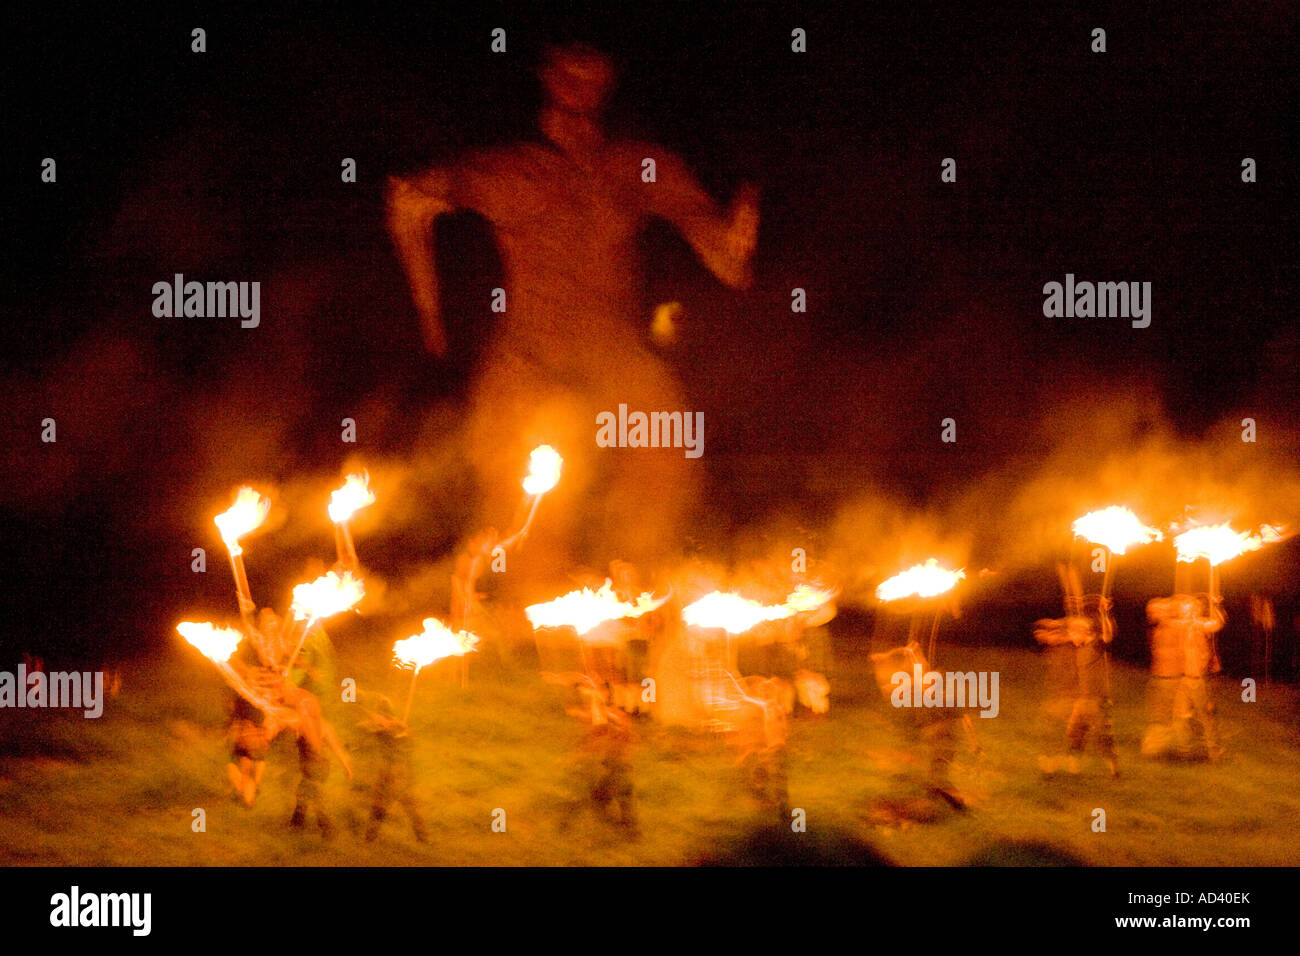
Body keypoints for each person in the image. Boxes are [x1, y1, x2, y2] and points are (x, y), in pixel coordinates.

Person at [387, 42, 759, 586]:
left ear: (608, 84)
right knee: (528, 494)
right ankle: (533, 617)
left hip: (612, 351)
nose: (581, 83)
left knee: (666, 455)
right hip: (530, 355)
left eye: (593, 73)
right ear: (546, 79)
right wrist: (428, 312)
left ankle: (637, 596)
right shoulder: (511, 169)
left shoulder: (635, 166)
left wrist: (731, 249)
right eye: (568, 72)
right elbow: (410, 201)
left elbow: (708, 231)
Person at [361, 696, 429, 843]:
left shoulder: (400, 727)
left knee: (409, 806)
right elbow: (369, 726)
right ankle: (370, 838)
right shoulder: (378, 726)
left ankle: (423, 838)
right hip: (389, 772)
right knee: (380, 806)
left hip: (400, 773)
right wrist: (384, 723)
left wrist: (400, 729)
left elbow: (407, 741)